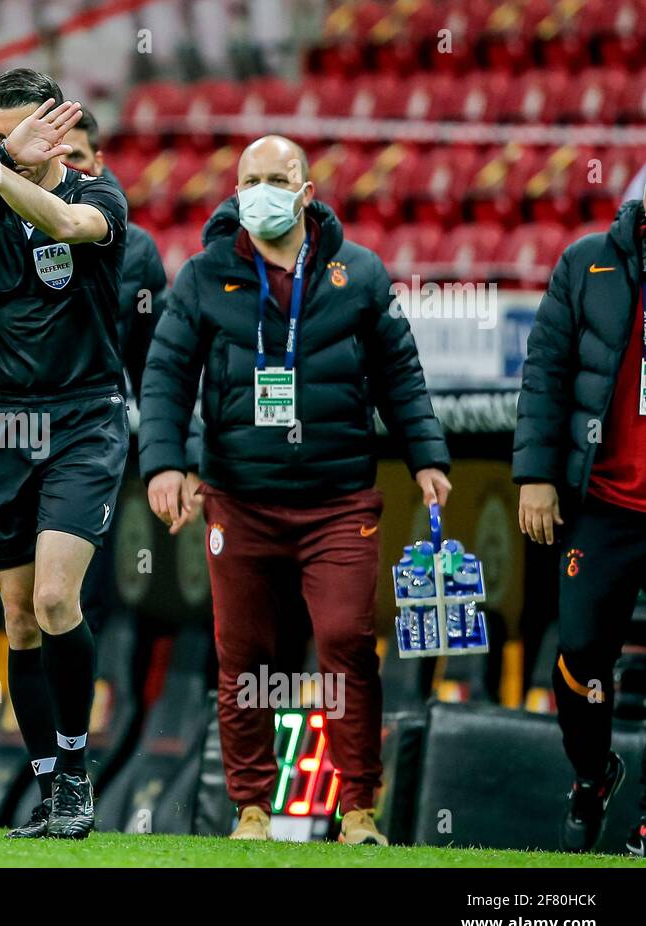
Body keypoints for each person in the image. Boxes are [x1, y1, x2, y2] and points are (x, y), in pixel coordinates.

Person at [141, 134, 450, 846]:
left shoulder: (361, 274)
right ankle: (251, 811)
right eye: (250, 178)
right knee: (243, 654)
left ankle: (359, 812)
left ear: (306, 192)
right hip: (238, 497)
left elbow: (401, 374)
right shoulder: (202, 276)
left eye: (277, 178)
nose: (261, 191)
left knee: (346, 640)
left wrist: (427, 454)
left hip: (337, 498)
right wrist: (164, 464)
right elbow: (164, 377)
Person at [0, 107, 167, 827]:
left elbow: (65, 226)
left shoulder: (100, 198)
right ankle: (49, 783)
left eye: (19, 132)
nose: (6, 144)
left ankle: (78, 769)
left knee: (58, 600)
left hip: (84, 419)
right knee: (18, 620)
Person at [513, 188, 646, 856]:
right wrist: (536, 476)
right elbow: (545, 372)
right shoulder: (587, 264)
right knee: (581, 657)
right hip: (606, 504)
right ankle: (593, 776)